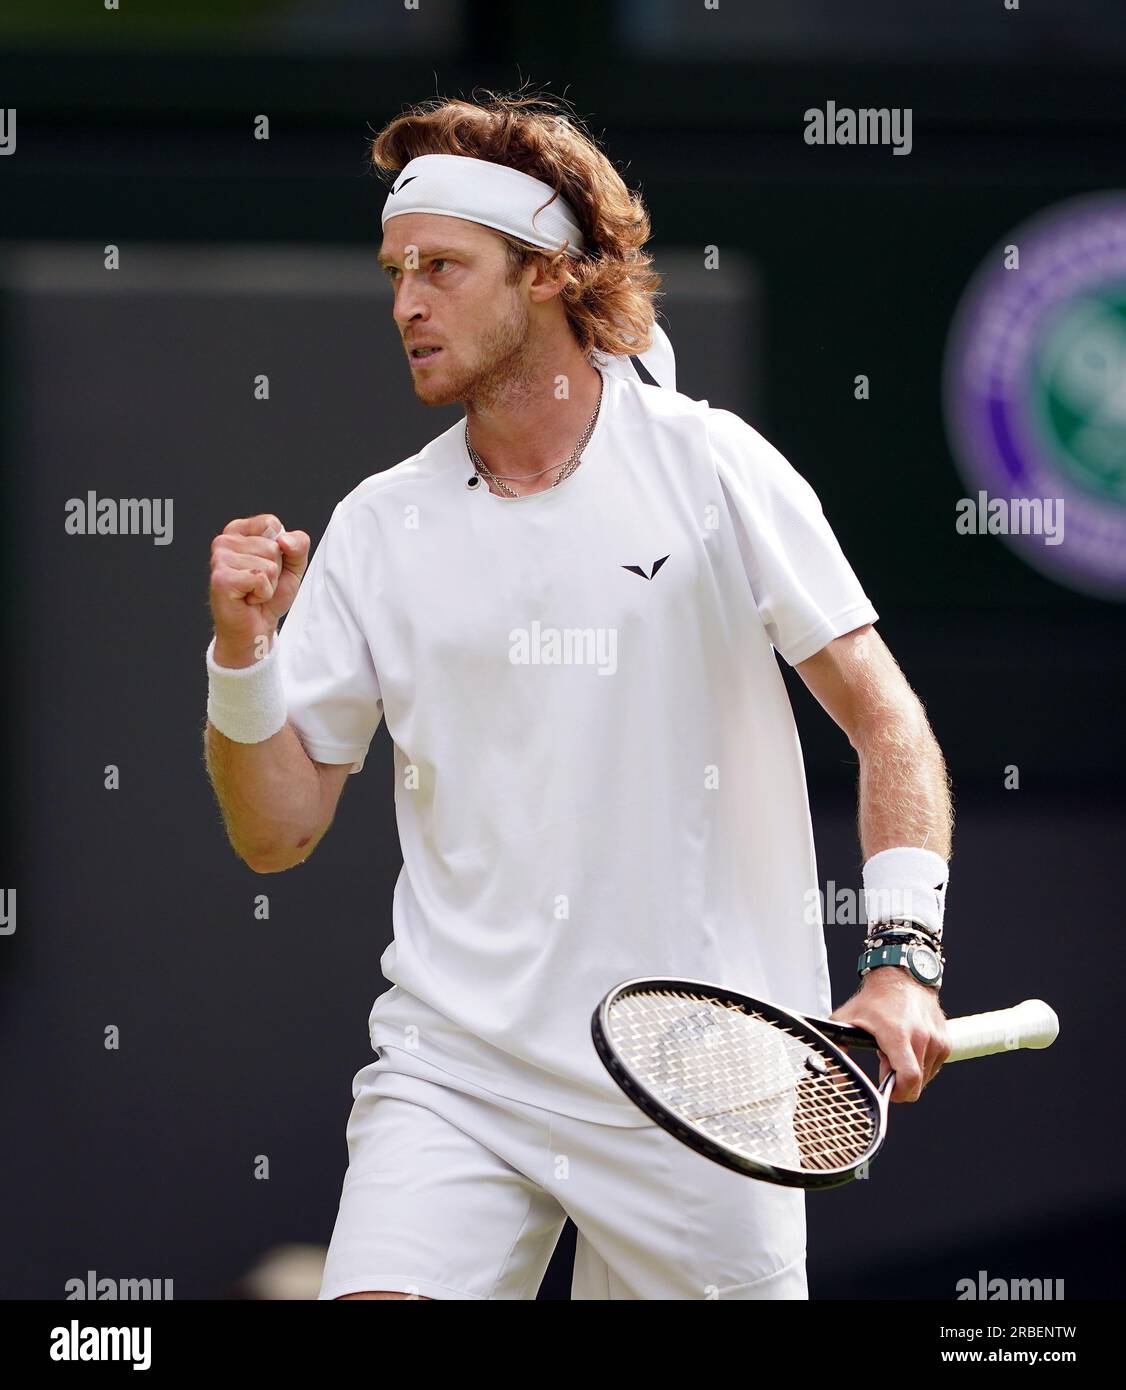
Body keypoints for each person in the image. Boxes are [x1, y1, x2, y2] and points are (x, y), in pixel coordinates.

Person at [202, 92, 953, 1301]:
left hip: (709, 1081)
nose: (406, 302)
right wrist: (242, 658)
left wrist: (901, 958)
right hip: (459, 1070)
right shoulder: (378, 526)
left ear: (547, 274)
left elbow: (884, 720)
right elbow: (274, 828)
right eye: (397, 270)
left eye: (442, 267)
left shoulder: (712, 465)